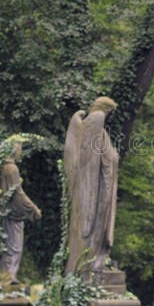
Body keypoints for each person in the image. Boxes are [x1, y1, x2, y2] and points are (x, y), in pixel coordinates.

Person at [64, 96, 118, 275]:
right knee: (96, 222)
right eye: (109, 112)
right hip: (97, 186)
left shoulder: (98, 130)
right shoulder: (96, 119)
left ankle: (96, 258)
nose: (108, 116)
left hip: (102, 183)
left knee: (99, 223)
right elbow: (90, 163)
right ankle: (91, 261)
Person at [0, 142, 42, 285]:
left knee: (8, 246)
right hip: (13, 214)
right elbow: (18, 193)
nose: (20, 153)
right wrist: (33, 209)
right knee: (15, 247)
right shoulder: (11, 169)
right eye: (19, 150)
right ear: (13, 150)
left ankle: (7, 276)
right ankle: (8, 277)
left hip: (6, 213)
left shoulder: (3, 167)